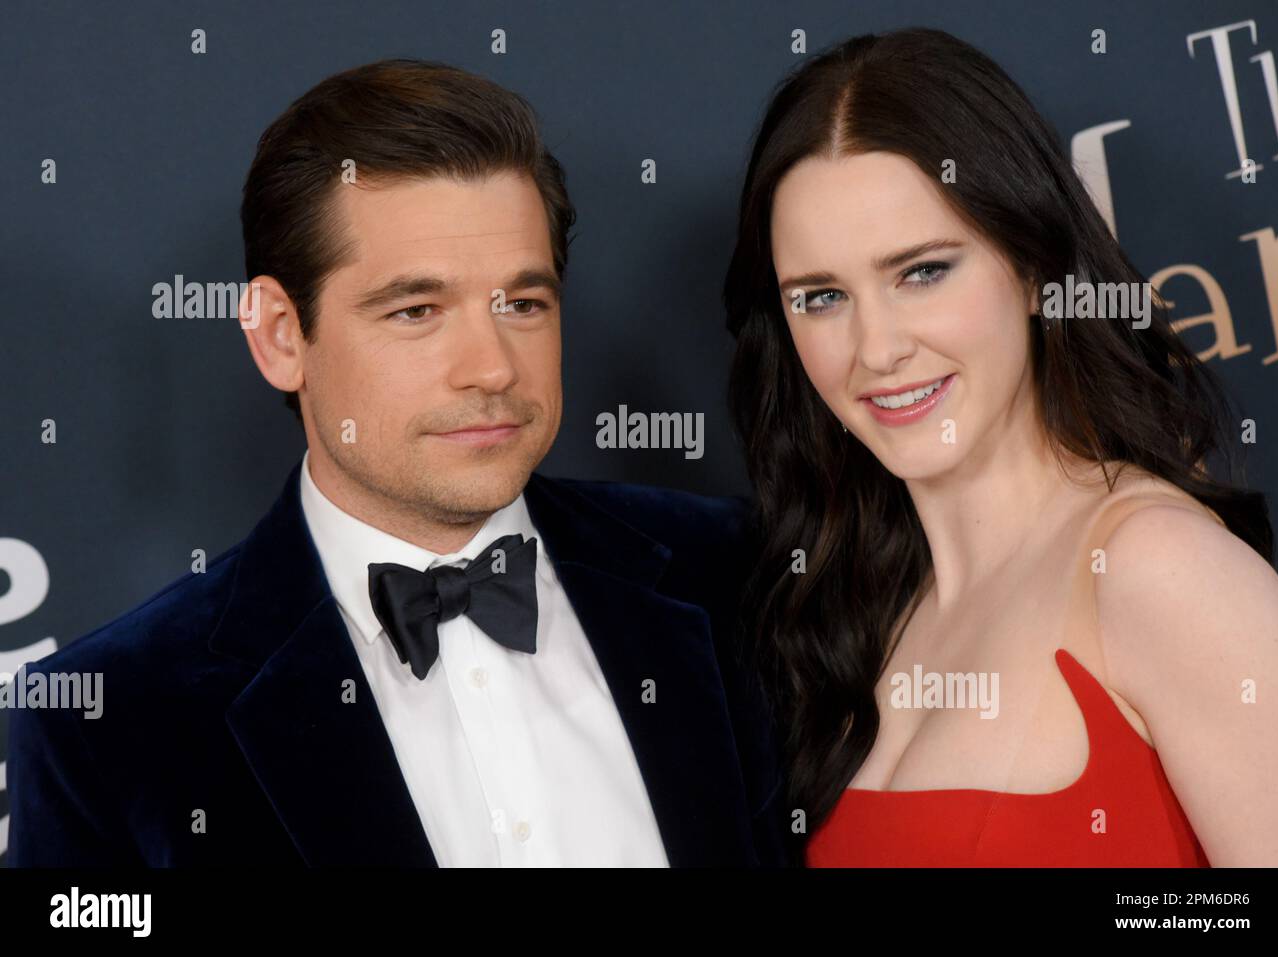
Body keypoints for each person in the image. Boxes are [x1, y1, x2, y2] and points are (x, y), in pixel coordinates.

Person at [6, 59, 789, 867]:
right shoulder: (110, 721)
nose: (491, 367)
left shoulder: (740, 575)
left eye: (522, 303)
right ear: (280, 335)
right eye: (416, 311)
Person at [723, 28, 1278, 866]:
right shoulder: (860, 612)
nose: (876, 348)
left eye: (921, 271)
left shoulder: (1155, 567)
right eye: (820, 297)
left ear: (1031, 266)